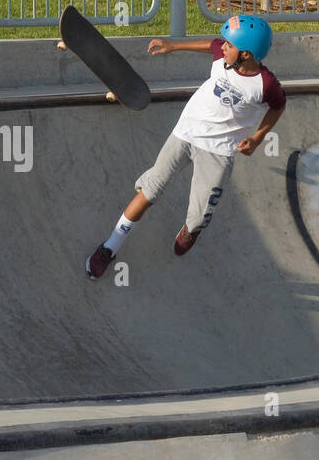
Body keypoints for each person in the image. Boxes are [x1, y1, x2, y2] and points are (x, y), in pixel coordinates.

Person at [85, 14, 286, 279]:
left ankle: (190, 230)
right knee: (150, 190)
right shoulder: (223, 56)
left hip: (218, 150)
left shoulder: (266, 84)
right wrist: (173, 46)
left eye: (228, 45)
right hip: (186, 133)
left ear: (246, 55)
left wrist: (258, 137)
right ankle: (110, 246)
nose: (222, 47)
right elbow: (210, 45)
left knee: (199, 216)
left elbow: (278, 106)